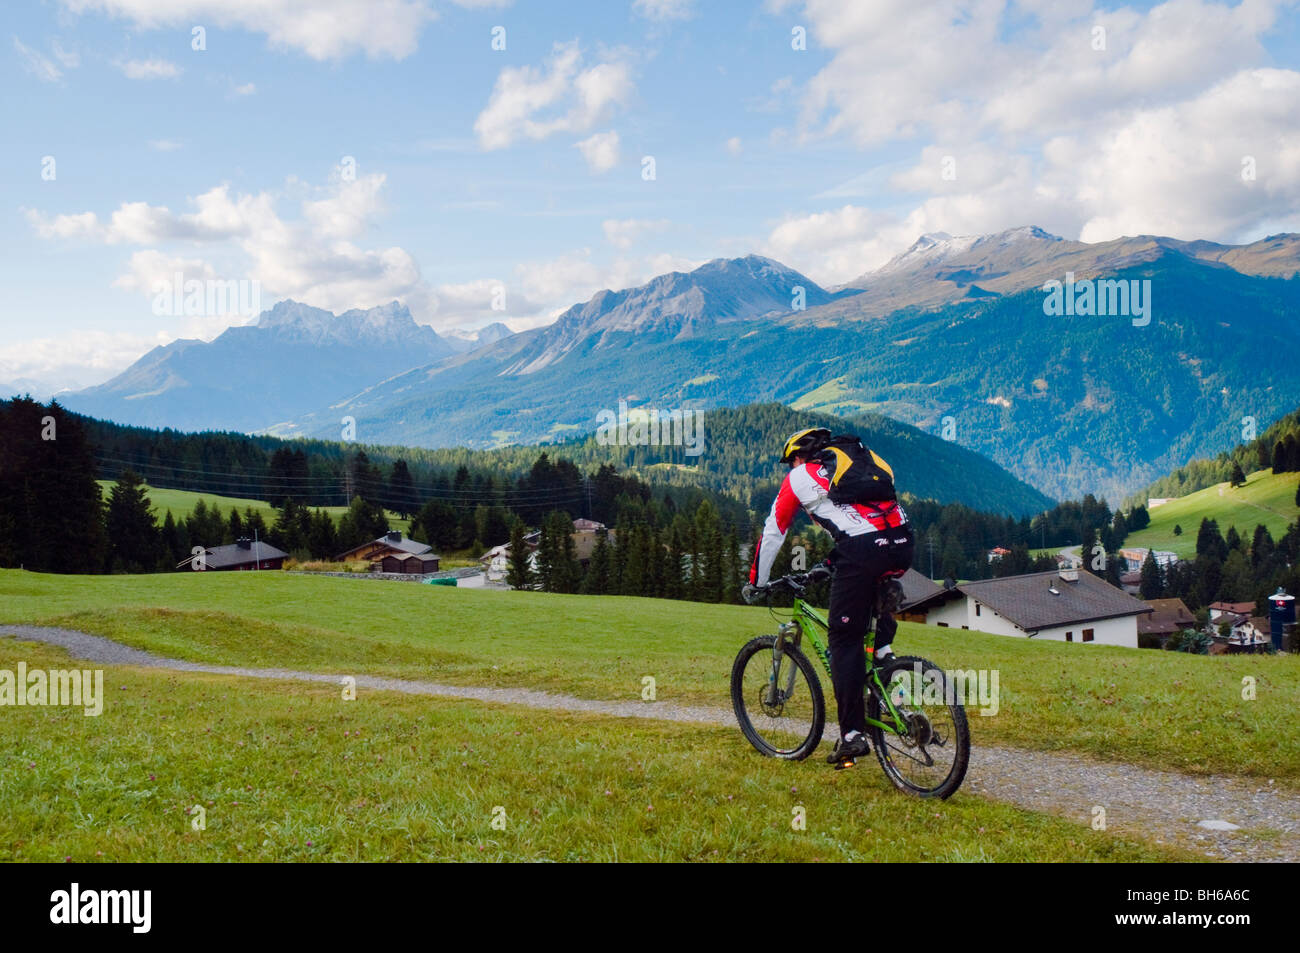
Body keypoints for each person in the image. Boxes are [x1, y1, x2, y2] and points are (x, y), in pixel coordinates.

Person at [742, 427, 915, 768]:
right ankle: (890, 678)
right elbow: (862, 521)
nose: (791, 467)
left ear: (800, 456)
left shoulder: (800, 477)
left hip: (864, 551)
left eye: (792, 460)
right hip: (903, 544)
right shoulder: (858, 468)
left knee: (842, 638)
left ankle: (852, 735)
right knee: (873, 635)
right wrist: (829, 564)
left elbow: (774, 529)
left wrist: (757, 582)